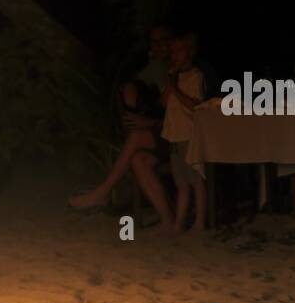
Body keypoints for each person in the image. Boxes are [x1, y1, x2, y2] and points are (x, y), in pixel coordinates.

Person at [69, 24, 176, 230]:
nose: (159, 46)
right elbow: (133, 82)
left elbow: (188, 115)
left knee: (136, 137)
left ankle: (103, 192)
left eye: (163, 41)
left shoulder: (184, 69)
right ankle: (168, 220)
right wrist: (130, 91)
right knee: (138, 159)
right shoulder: (157, 67)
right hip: (164, 134)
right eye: (154, 42)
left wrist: (151, 122)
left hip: (184, 137)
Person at [160, 34, 207, 232]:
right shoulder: (173, 76)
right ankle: (178, 224)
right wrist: (171, 84)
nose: (175, 55)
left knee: (196, 181)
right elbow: (164, 103)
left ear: (189, 52)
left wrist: (175, 88)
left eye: (179, 50)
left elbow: (195, 105)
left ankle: (200, 222)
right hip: (174, 135)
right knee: (182, 183)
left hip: (190, 136)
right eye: (173, 51)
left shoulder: (196, 76)